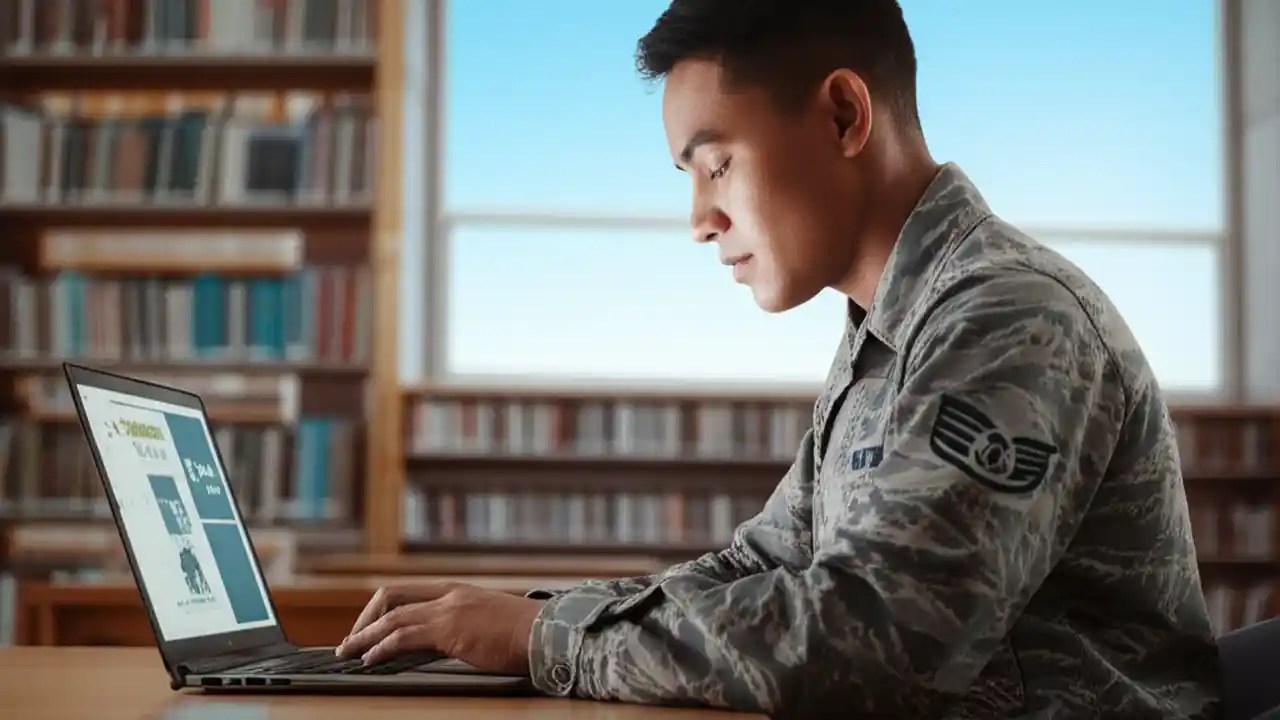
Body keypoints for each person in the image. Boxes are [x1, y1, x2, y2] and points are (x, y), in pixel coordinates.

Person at [335, 1, 1221, 717]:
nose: (698, 218)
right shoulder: (887, 334)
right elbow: (758, 570)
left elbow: (871, 643)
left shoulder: (1007, 318)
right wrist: (522, 615)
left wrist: (545, 645)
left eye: (715, 165)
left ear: (844, 114)